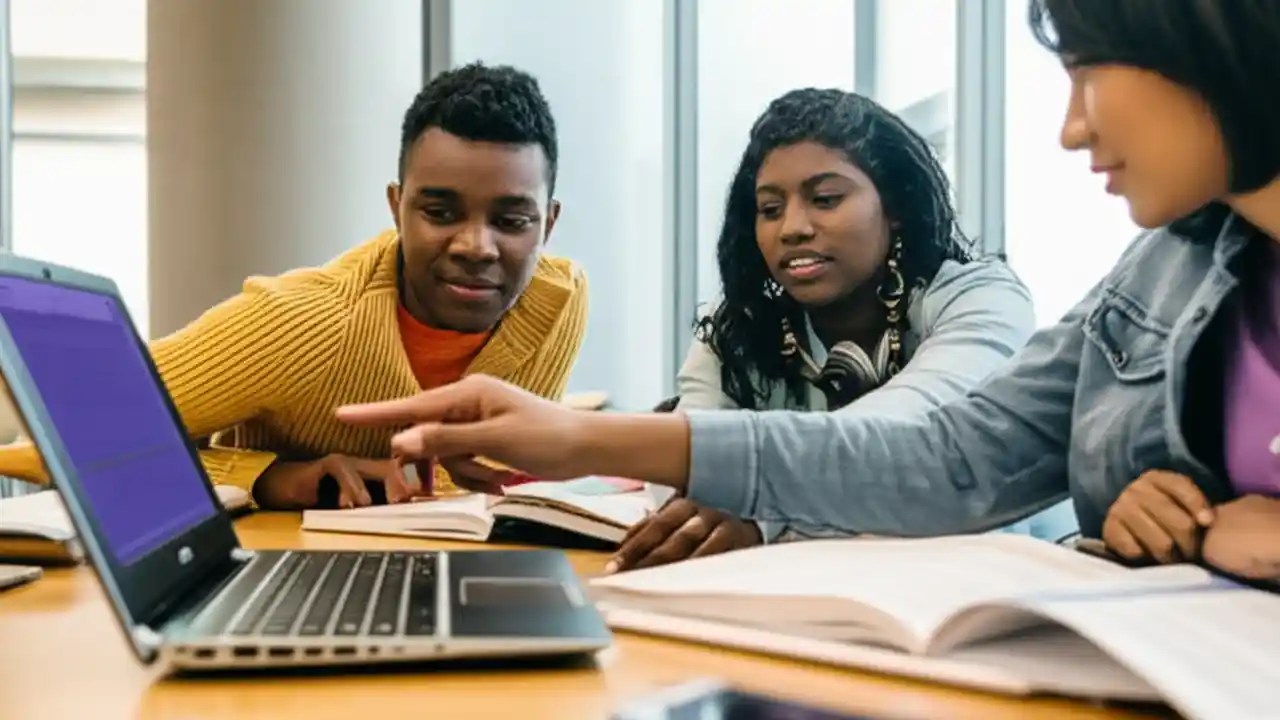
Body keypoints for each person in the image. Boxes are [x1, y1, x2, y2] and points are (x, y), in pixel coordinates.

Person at [339, 0, 1280, 582]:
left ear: (1199, 33)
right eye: (770, 206)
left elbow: (940, 445)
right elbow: (958, 458)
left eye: (1086, 75)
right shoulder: (1164, 270)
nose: (1072, 130)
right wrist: (1177, 521)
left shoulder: (980, 294)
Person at [1, 62, 588, 511]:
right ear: (396, 207)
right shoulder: (302, 323)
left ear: (549, 223)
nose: (476, 247)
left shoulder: (559, 303)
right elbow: (70, 438)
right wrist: (269, 476)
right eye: (440, 212)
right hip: (285, 582)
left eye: (512, 222)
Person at [612, 88, 1073, 571]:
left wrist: (761, 513)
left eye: (825, 199)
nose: (792, 228)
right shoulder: (736, 327)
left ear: (894, 206)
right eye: (769, 209)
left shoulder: (982, 299)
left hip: (995, 588)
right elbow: (675, 474)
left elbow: (904, 438)